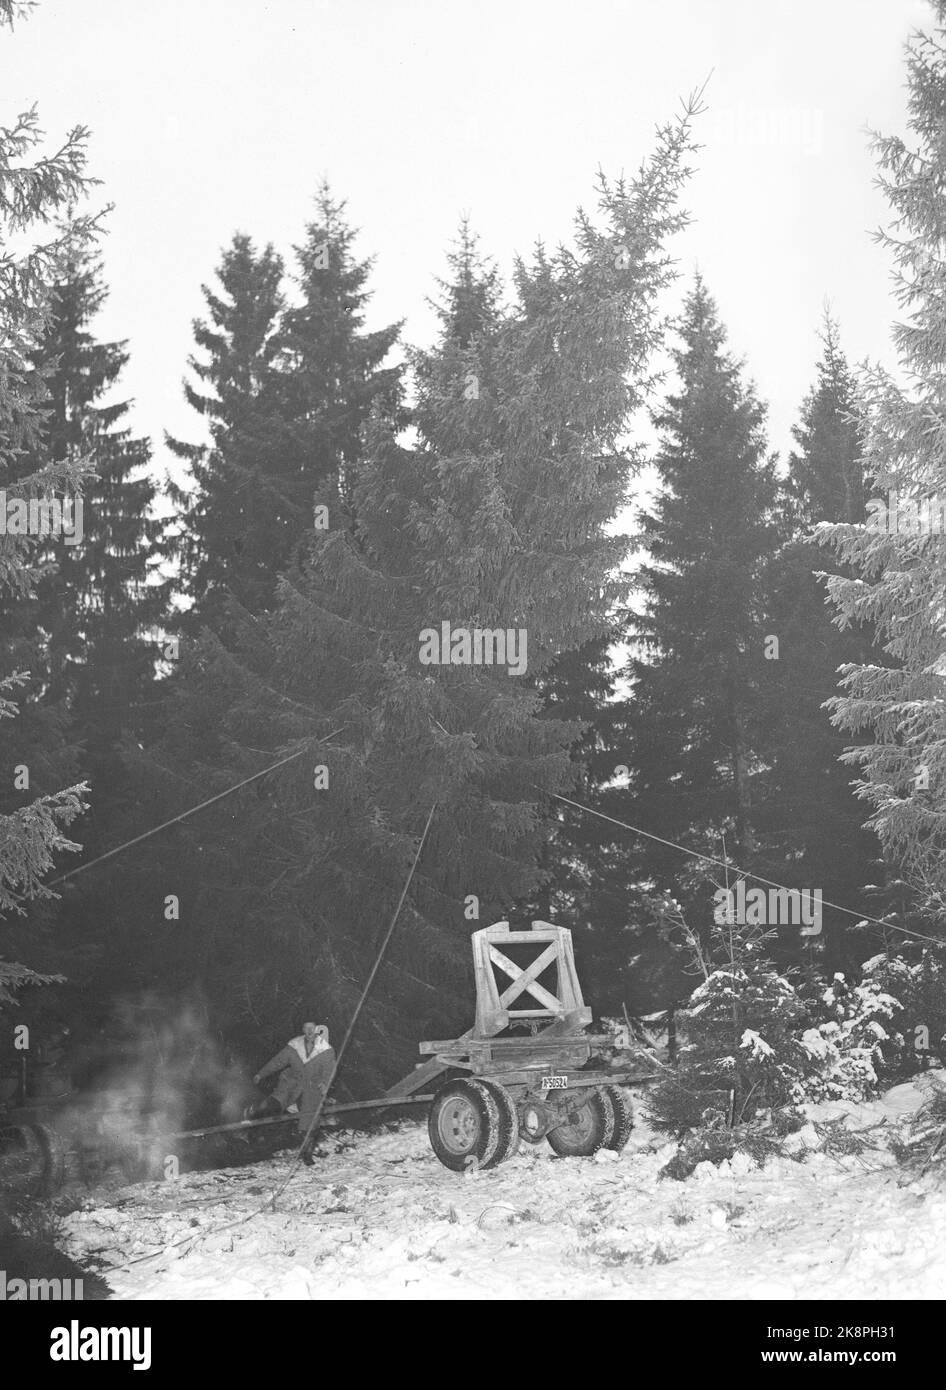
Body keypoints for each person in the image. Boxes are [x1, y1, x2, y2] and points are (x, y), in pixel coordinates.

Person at [247, 1022, 336, 1165]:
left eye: (312, 1029)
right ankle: (254, 1134)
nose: (309, 1031)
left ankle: (307, 1154)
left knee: (309, 1121)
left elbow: (329, 1070)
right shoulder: (294, 1047)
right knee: (271, 1106)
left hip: (311, 1089)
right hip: (290, 1085)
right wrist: (261, 1074)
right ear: (303, 1030)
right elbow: (278, 1061)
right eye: (306, 1028)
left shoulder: (326, 1051)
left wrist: (325, 1084)